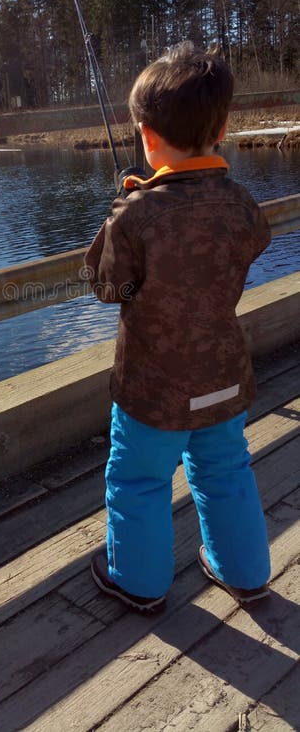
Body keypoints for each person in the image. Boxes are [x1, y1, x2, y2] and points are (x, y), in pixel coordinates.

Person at [84, 41, 271, 614]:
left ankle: (138, 582)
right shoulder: (242, 203)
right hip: (223, 379)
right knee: (226, 472)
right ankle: (245, 573)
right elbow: (248, 243)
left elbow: (109, 288)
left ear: (146, 136)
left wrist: (123, 211)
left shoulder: (137, 214)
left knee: (138, 483)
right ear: (223, 128)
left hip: (152, 391)